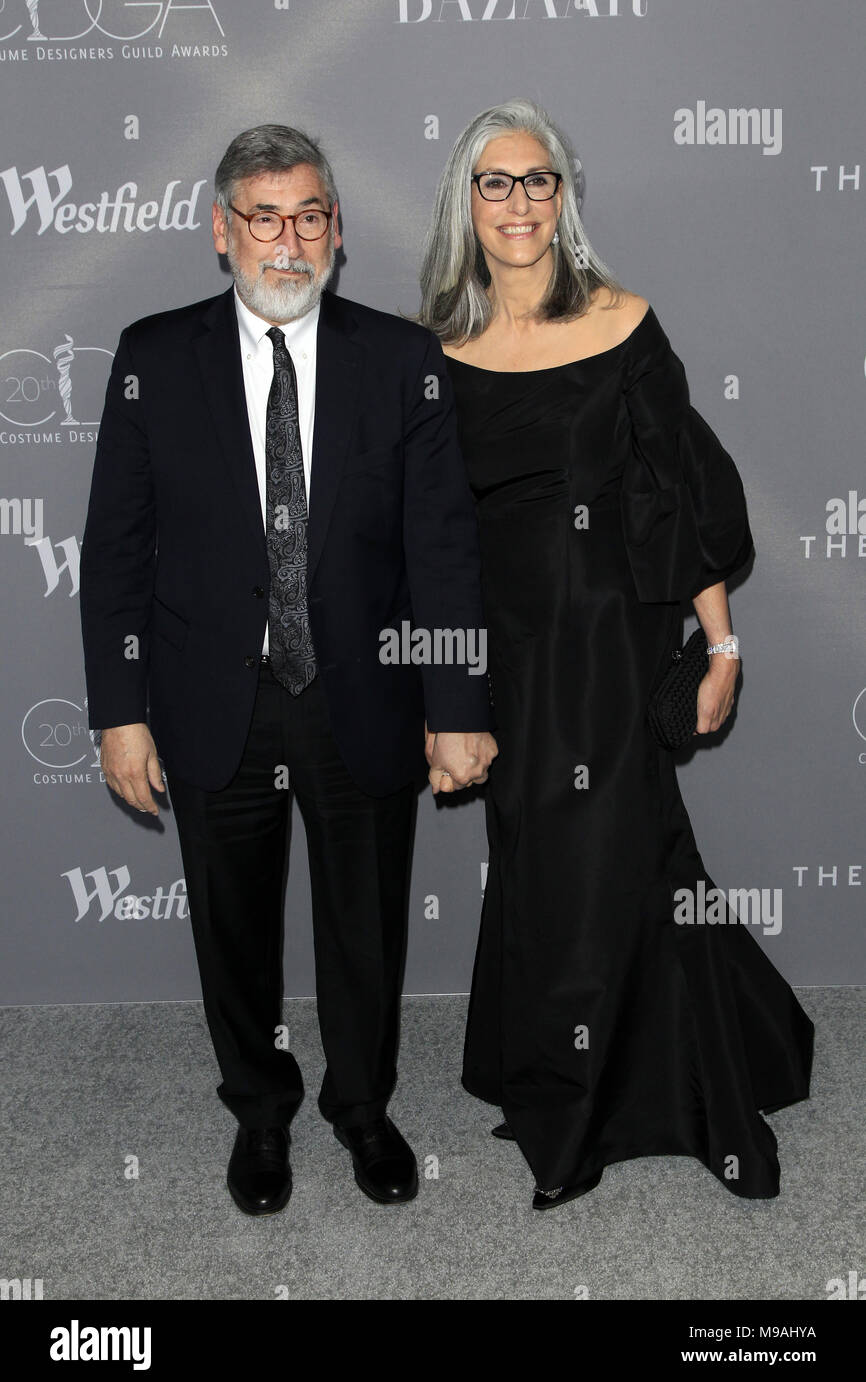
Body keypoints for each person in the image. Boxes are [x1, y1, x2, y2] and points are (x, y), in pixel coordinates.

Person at [80, 124, 496, 1216]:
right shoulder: (152, 358)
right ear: (222, 231)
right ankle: (259, 1112)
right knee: (233, 926)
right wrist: (120, 712)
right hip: (212, 698)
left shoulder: (400, 361)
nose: (286, 239)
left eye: (308, 215)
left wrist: (455, 704)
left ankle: (362, 1107)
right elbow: (116, 550)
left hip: (360, 693)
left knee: (365, 923)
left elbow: (443, 550)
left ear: (338, 231)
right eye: (262, 217)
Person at [417, 98, 814, 1210]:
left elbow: (680, 491)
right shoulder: (437, 353)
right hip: (508, 652)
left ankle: (621, 1104)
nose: (518, 202)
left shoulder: (624, 322)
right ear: (468, 201)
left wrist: (719, 640)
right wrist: (440, 688)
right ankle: (562, 1071)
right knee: (541, 867)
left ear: (561, 197)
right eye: (495, 182)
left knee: (620, 855)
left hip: (611, 641)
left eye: (536, 180)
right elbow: (429, 538)